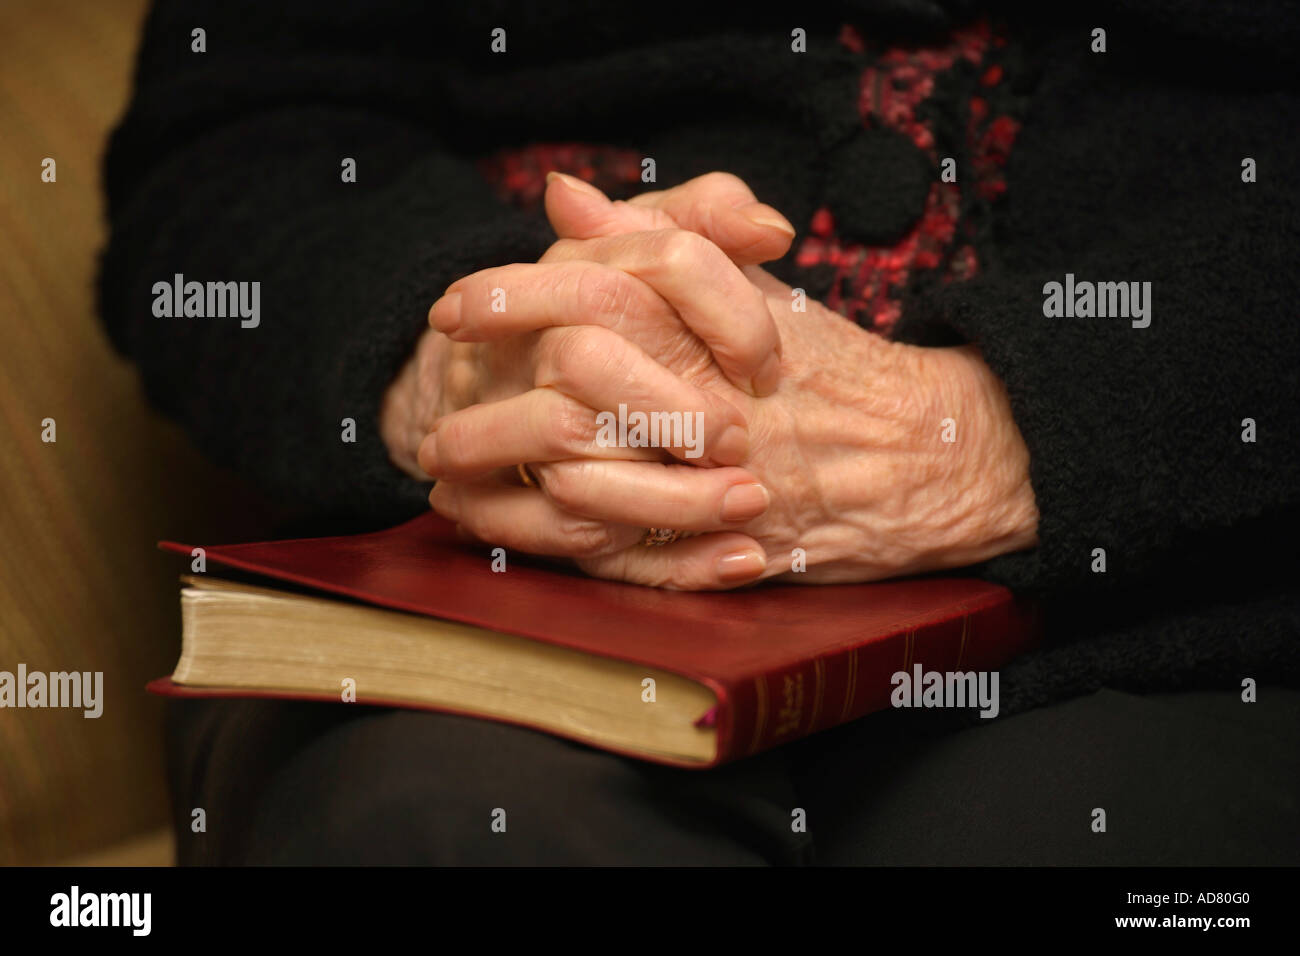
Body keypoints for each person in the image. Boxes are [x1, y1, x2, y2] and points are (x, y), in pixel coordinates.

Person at [99, 0, 1299, 864]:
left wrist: (1004, 432)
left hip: (1180, 601)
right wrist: (473, 350)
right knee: (434, 824)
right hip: (490, 592)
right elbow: (229, 147)